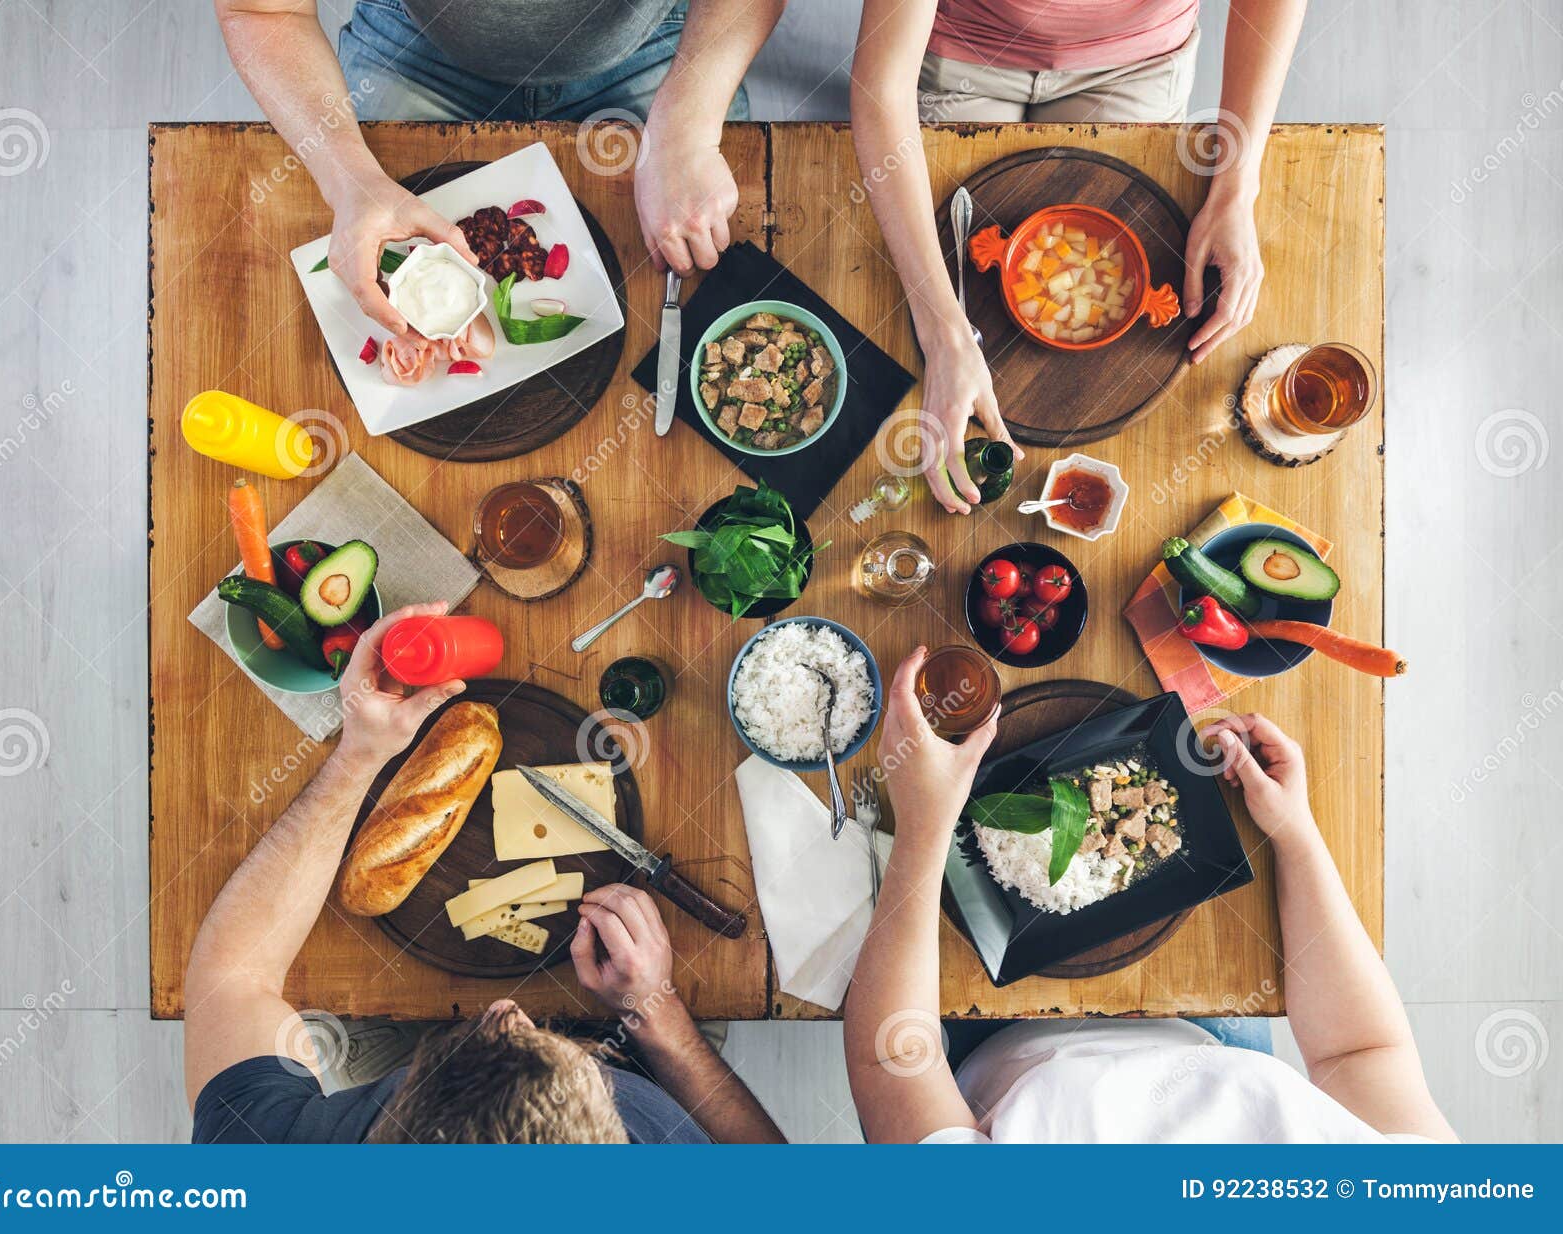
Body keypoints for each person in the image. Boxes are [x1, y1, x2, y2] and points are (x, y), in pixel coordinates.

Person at [186, 603, 784, 1144]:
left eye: (469, 1047)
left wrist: (358, 754)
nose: (504, 1009)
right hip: (654, 1056)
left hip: (394, 1047)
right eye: (548, 1047)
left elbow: (232, 975)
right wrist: (657, 1014)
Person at [843, 645, 1458, 1144]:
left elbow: (891, 1066)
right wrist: (1294, 832)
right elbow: (1361, 1052)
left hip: (990, 1051)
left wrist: (923, 824)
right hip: (1211, 1039)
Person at [849, 1, 1308, 513]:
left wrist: (1236, 190)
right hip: (965, 51)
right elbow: (882, 90)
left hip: (1138, 63)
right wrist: (944, 335)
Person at [215, 0, 784, 333]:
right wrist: (350, 180)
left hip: (657, 42)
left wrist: (686, 131)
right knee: (346, 296)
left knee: (704, 285)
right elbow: (263, 10)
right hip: (417, 43)